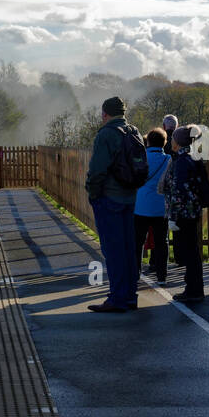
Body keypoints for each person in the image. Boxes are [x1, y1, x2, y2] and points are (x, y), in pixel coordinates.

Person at [85, 96, 143, 313]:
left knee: (113, 251)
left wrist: (93, 194)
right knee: (128, 250)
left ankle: (117, 299)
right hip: (130, 198)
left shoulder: (107, 134)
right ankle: (129, 296)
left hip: (109, 199)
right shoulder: (134, 131)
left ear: (104, 114)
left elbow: (98, 170)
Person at [161, 124, 207, 302]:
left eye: (173, 138)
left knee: (189, 252)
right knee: (192, 251)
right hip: (191, 211)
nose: (171, 140)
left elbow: (178, 191)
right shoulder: (192, 157)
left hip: (183, 214)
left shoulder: (181, 161)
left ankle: (194, 291)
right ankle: (194, 288)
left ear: (178, 142)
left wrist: (173, 217)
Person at [134, 129, 170, 284]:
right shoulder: (168, 159)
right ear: (164, 142)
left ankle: (135, 273)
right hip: (161, 207)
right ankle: (162, 276)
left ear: (147, 142)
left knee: (137, 241)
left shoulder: (141, 158)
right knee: (162, 242)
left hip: (140, 206)